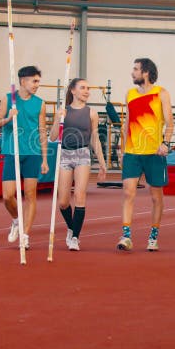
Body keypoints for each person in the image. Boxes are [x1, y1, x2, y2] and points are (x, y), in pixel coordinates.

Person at [117, 58, 174, 252]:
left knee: (156, 197)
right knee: (128, 192)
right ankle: (126, 235)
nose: (132, 73)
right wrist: (123, 148)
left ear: (146, 72)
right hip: (133, 152)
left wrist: (165, 143)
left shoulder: (162, 94)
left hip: (154, 153)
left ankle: (153, 236)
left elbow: (170, 123)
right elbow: (127, 123)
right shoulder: (130, 94)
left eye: (135, 69)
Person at [0, 65, 49, 250]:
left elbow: (42, 131)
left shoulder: (40, 103)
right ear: (23, 81)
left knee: (31, 195)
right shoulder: (8, 99)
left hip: (32, 153)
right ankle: (17, 220)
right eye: (34, 81)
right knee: (8, 196)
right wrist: (8, 118)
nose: (37, 85)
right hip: (11, 151)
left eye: (38, 81)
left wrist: (45, 159)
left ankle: (25, 234)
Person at [49, 78, 108, 251]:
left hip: (83, 154)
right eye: (83, 88)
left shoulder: (92, 113)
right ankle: (71, 227)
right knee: (63, 202)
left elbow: (95, 139)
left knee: (80, 196)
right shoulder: (63, 111)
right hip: (65, 155)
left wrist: (103, 164)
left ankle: (75, 237)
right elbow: (52, 137)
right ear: (73, 91)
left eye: (88, 88)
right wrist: (57, 120)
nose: (87, 91)